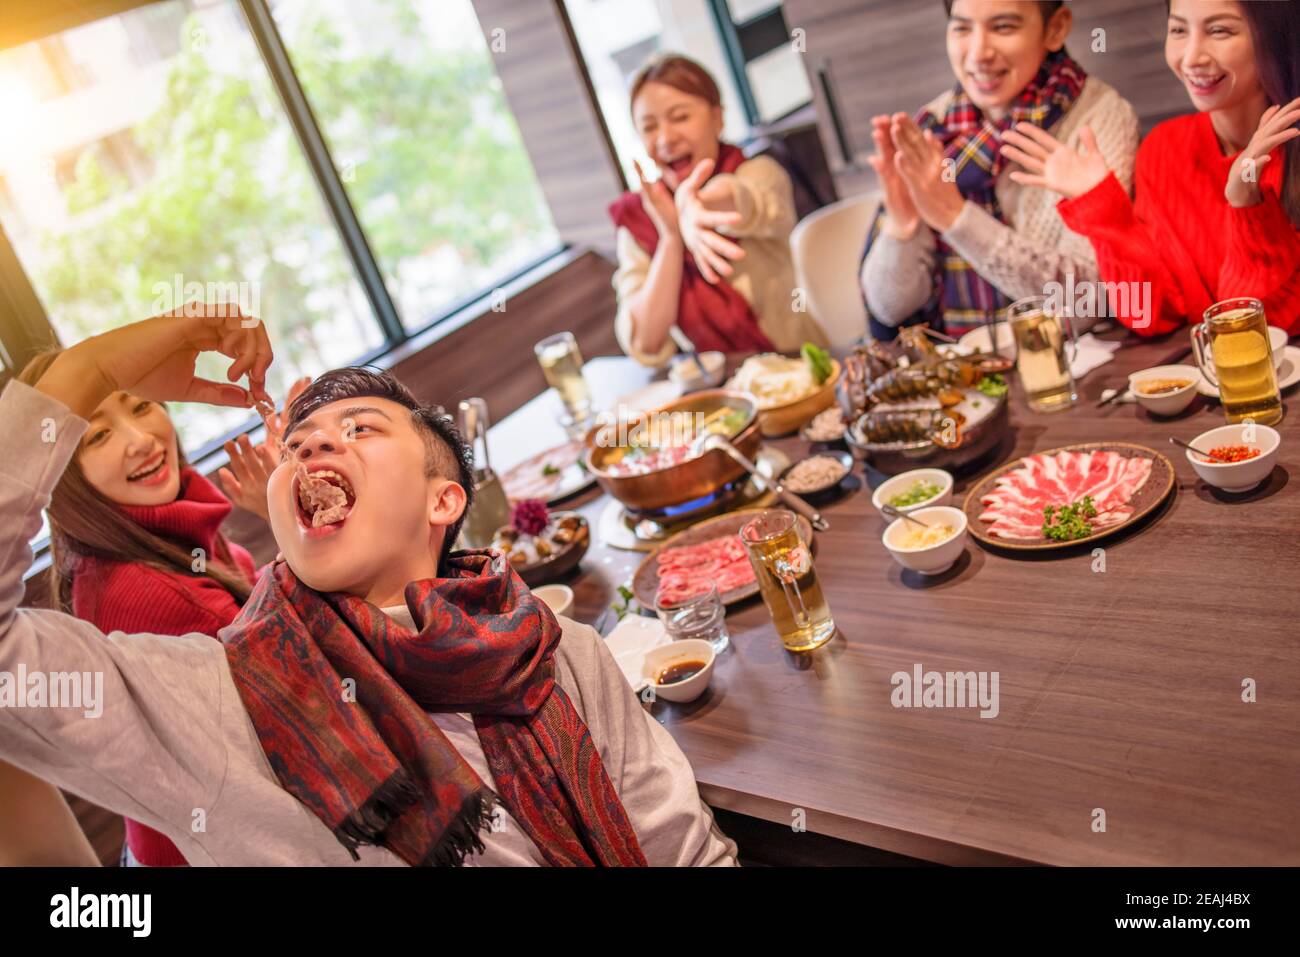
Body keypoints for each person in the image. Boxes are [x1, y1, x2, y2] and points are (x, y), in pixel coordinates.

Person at [0, 305, 737, 866]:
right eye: (299, 442)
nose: (315, 441)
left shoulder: (556, 650)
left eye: (359, 429)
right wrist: (92, 372)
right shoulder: (222, 705)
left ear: (443, 501)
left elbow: (686, 851)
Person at [13, 351, 303, 867]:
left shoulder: (156, 530)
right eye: (98, 436)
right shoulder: (148, 591)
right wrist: (294, 515)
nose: (141, 439)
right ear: (61, 477)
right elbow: (302, 683)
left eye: (141, 405)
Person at [1000, 0, 1300, 335]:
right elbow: (1148, 315)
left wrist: (1247, 205)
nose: (1191, 57)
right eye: (1178, 30)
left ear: (1273, 38)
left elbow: (1256, 333)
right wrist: (1104, 212)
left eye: (1219, 31)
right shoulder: (1165, 148)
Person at [859, 0, 1139, 340]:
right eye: (962, 28)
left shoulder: (1099, 118)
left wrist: (956, 218)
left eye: (1003, 27)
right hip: (962, 372)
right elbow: (890, 308)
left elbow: (1089, 305)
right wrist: (901, 225)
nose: (978, 53)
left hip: (1075, 366)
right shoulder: (933, 127)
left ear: (1055, 29)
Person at [609, 53, 827, 366]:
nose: (666, 138)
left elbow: (741, 199)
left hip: (801, 365)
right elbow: (646, 342)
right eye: (649, 126)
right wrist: (671, 237)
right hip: (721, 396)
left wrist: (694, 206)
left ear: (718, 118)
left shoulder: (759, 172)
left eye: (680, 117)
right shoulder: (641, 217)